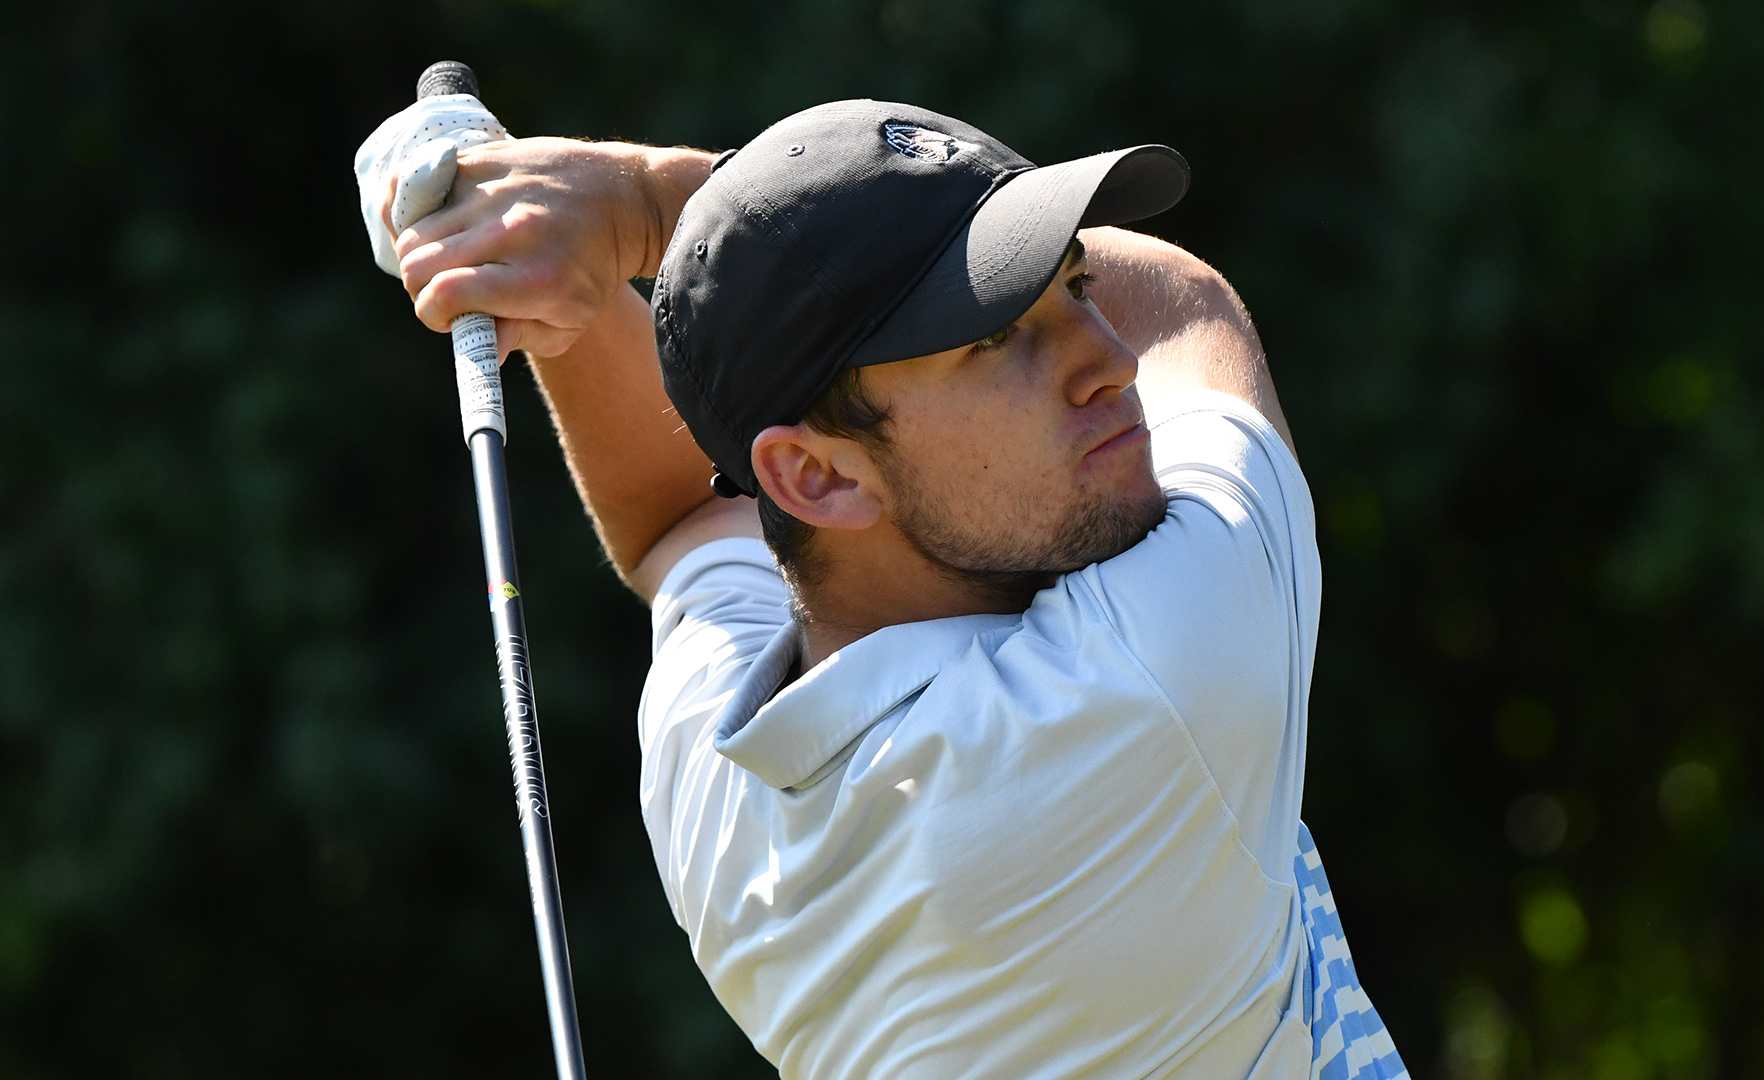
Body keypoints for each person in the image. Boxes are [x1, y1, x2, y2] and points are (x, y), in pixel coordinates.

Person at [356, 94, 1407, 1079]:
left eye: (1074, 286)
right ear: (814, 474)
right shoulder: (1147, 688)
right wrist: (640, 201)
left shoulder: (728, 801)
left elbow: (681, 525)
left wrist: (522, 267)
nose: (1109, 359)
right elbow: (1181, 309)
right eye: (998, 337)